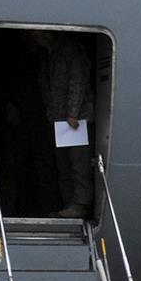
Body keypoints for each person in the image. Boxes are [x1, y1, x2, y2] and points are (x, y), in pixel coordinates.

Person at [34, 30, 98, 221]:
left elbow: (77, 79)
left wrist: (73, 112)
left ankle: (80, 204)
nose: (36, 38)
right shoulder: (49, 53)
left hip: (75, 119)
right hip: (60, 118)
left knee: (79, 164)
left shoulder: (69, 49)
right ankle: (69, 205)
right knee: (64, 166)